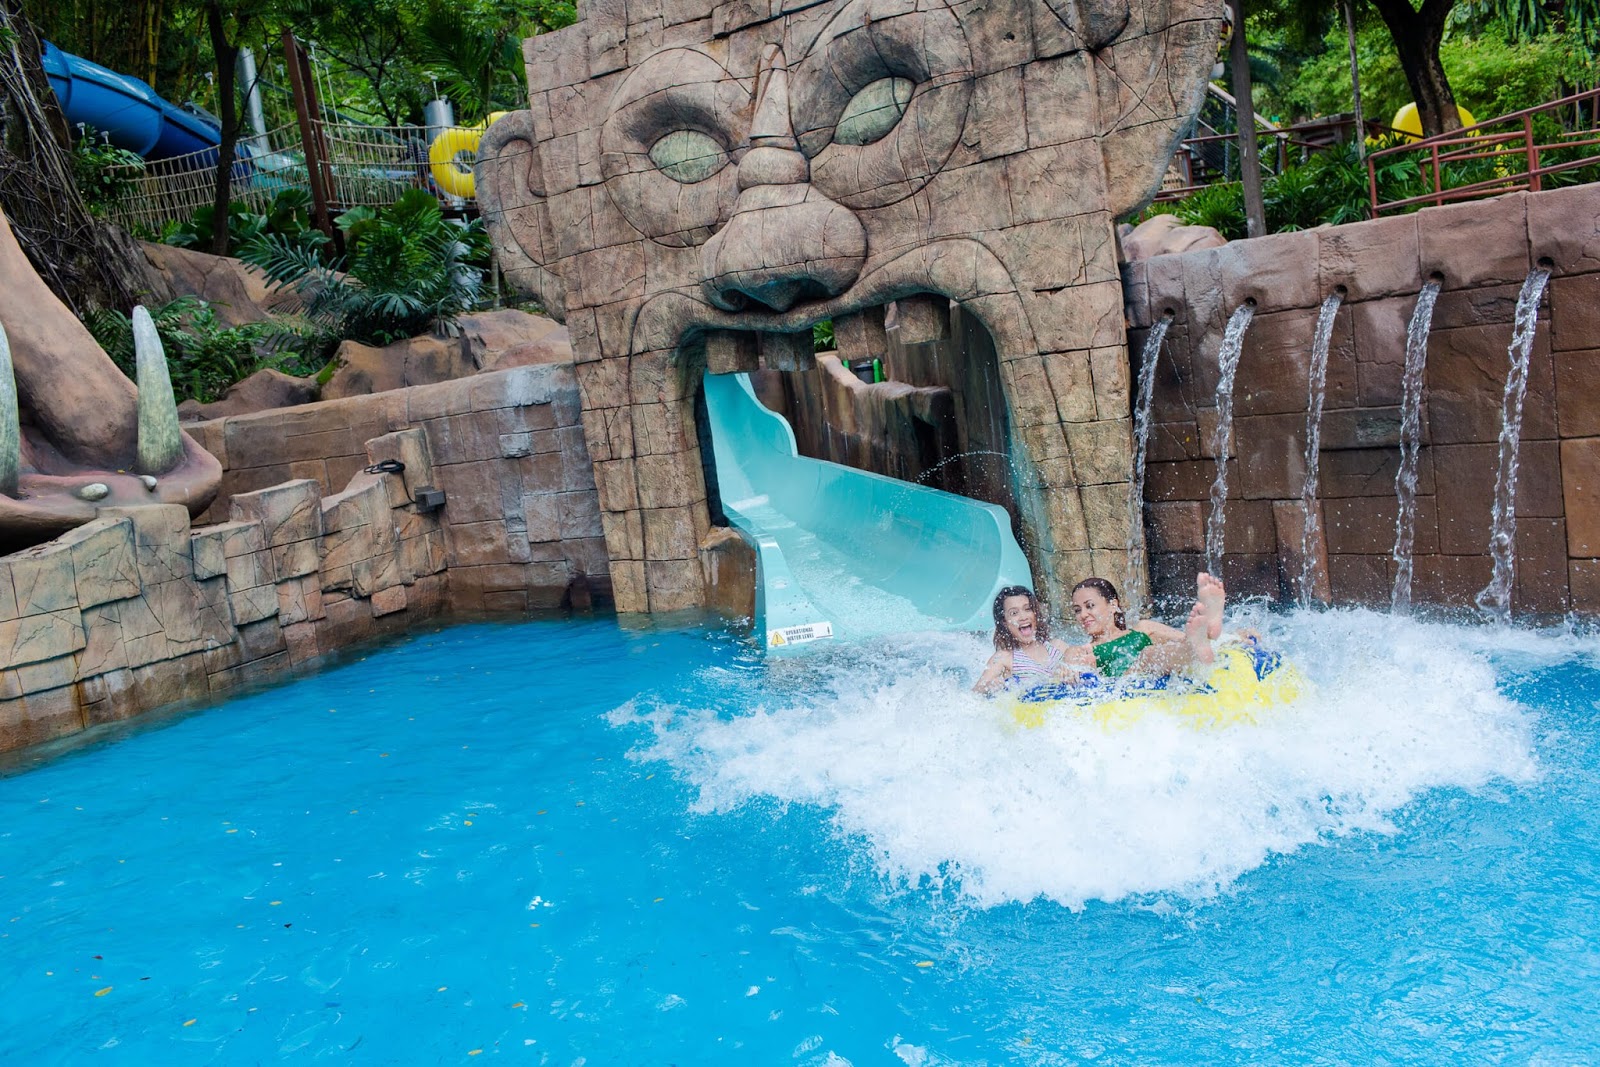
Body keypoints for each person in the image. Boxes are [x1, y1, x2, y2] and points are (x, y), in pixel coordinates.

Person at [973, 573, 1225, 694]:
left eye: (1090, 606)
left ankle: (1206, 633)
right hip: (1131, 680)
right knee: (1148, 654)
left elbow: (1181, 638)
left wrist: (1235, 639)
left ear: (1113, 604)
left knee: (1176, 644)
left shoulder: (1144, 628)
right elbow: (1067, 669)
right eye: (1077, 610)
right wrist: (1069, 671)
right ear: (1004, 623)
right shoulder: (1080, 650)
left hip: (1171, 662)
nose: (1083, 615)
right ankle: (1195, 647)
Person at [971, 585, 1075, 694]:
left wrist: (1071, 671)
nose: (1023, 617)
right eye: (1014, 613)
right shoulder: (1003, 658)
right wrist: (990, 686)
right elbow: (974, 694)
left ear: (1035, 614)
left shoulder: (1058, 647)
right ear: (1004, 622)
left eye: (1028, 609)